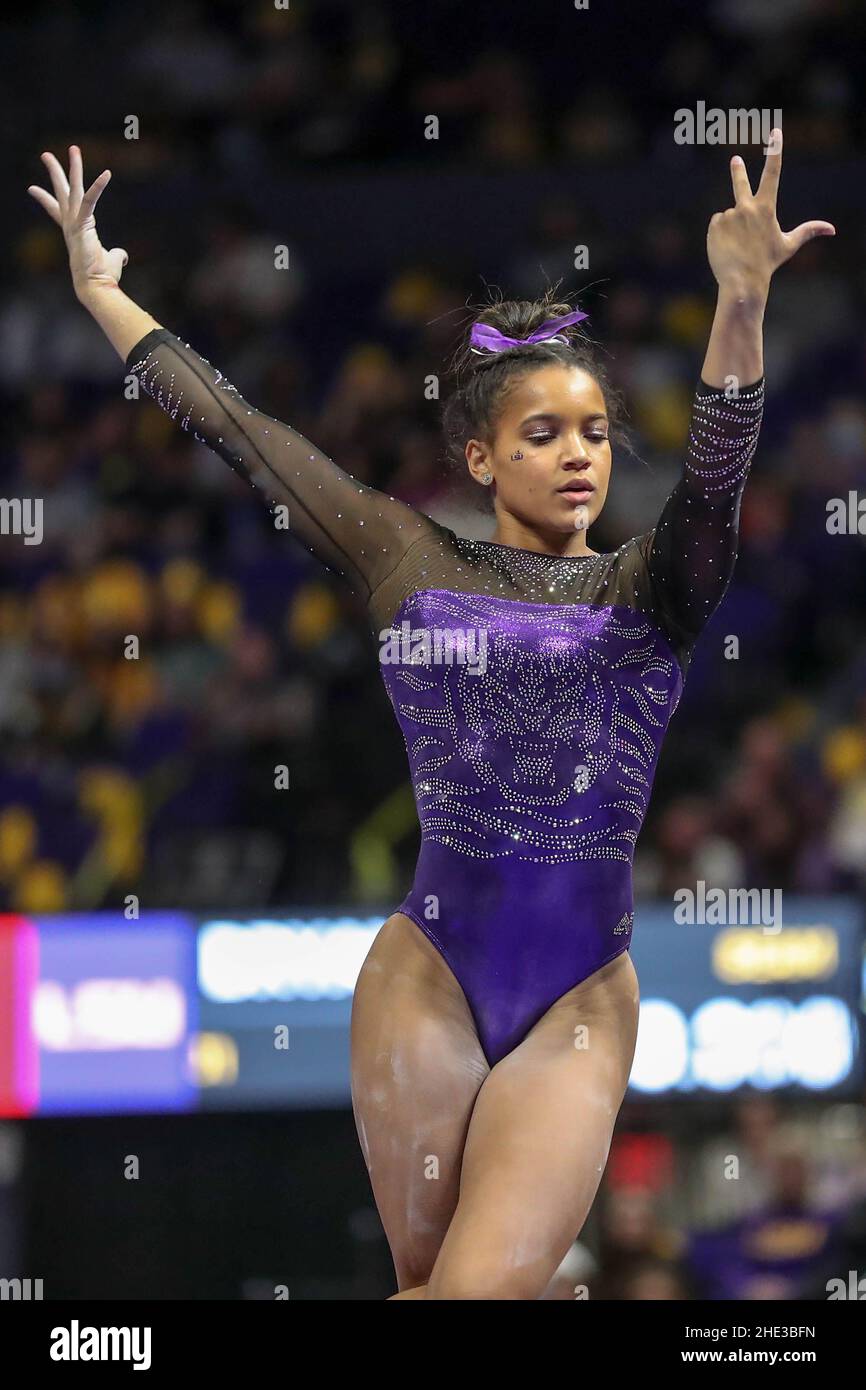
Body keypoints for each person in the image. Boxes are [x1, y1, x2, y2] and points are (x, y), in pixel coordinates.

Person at [28, 134, 833, 1299]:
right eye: (542, 435)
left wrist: (741, 304)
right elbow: (249, 440)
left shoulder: (652, 588)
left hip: (576, 996)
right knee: (420, 1288)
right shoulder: (406, 559)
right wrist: (107, 295)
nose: (577, 458)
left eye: (596, 433)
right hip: (423, 975)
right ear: (479, 455)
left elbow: (714, 472)